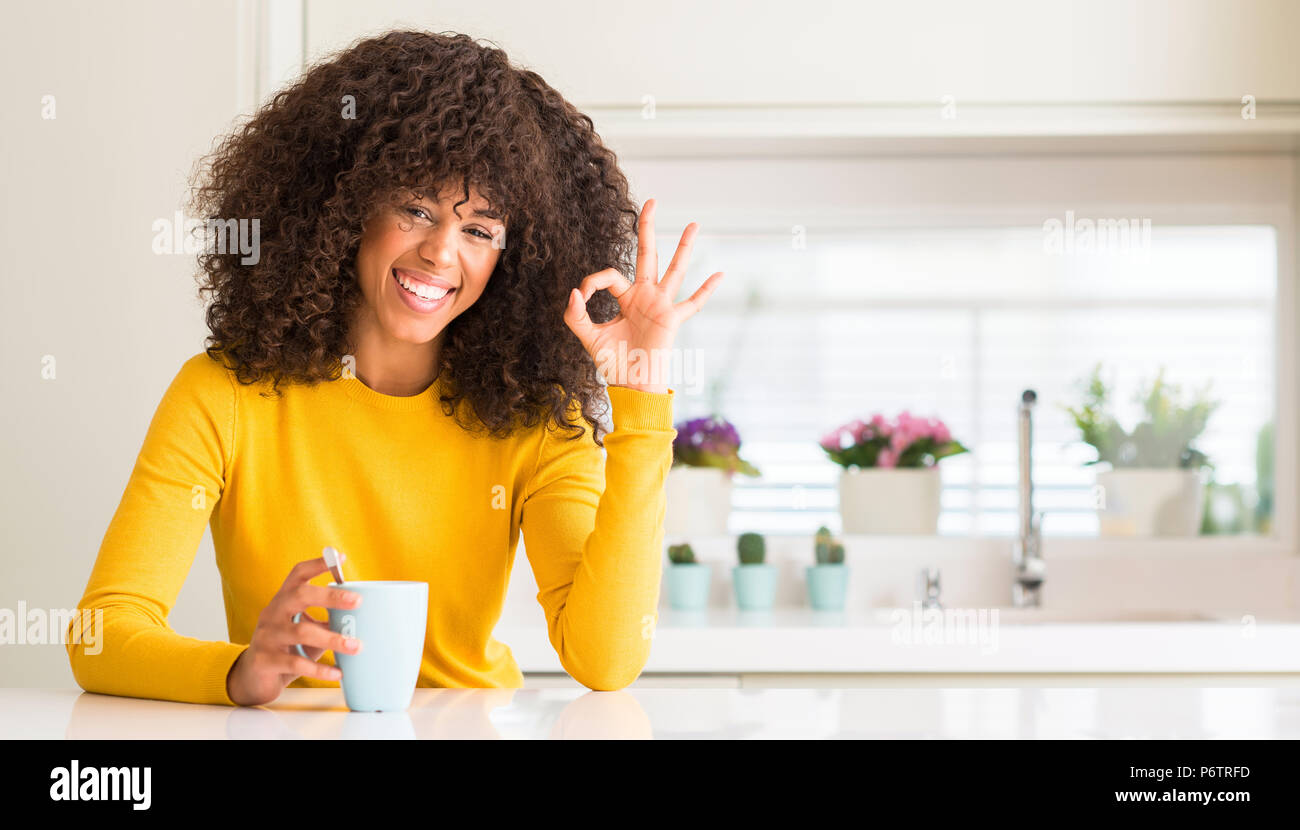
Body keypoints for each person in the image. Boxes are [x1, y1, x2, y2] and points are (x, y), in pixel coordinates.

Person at [66, 30, 723, 706]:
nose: (441, 253)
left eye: (478, 230)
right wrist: (241, 672)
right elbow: (100, 634)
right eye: (415, 209)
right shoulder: (224, 397)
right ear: (345, 207)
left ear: (512, 256)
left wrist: (641, 397)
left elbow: (606, 659)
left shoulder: (532, 417)